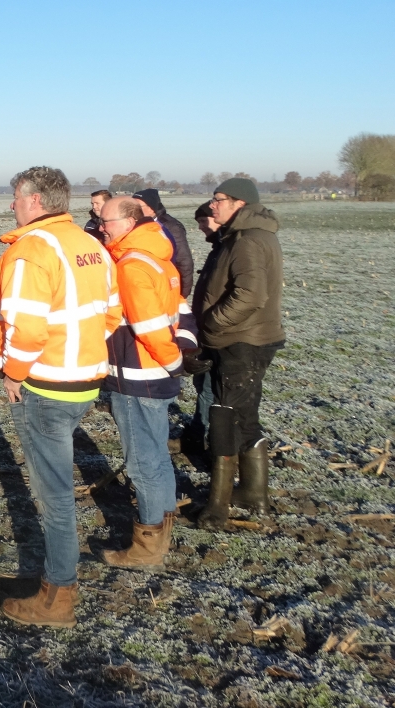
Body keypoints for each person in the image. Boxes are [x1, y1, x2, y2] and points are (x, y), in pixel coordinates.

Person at [0, 166, 119, 627]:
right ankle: (57, 581)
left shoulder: (31, 252)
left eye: (15, 197)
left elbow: (29, 327)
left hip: (44, 388)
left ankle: (57, 594)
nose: (11, 205)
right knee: (58, 488)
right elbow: (112, 314)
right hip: (85, 383)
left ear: (36, 201)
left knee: (54, 495)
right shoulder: (90, 244)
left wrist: (13, 375)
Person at [98, 197, 198, 568]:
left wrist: (173, 362)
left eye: (106, 220)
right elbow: (181, 309)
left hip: (138, 377)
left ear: (129, 221)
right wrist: (181, 354)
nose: (101, 225)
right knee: (155, 452)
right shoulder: (159, 256)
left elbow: (149, 327)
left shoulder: (131, 266)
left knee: (142, 461)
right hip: (155, 376)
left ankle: (148, 545)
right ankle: (164, 523)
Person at [194, 177, 284, 529]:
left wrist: (213, 325)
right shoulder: (244, 236)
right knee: (244, 416)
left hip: (241, 342)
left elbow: (250, 295)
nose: (212, 205)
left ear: (240, 203)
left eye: (218, 199)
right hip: (246, 339)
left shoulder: (246, 240)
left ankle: (218, 506)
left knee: (225, 418)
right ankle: (253, 493)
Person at [180, 201, 222, 457]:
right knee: (203, 384)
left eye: (204, 221)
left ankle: (207, 439)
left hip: (217, 330)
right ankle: (199, 431)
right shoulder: (219, 247)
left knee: (209, 387)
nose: (201, 228)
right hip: (208, 327)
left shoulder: (231, 247)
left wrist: (211, 324)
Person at [130, 188, 195, 299]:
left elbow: (184, 261)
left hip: (168, 286)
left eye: (138, 207)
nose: (132, 211)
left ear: (151, 209)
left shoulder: (171, 227)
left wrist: (182, 294)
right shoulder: (133, 225)